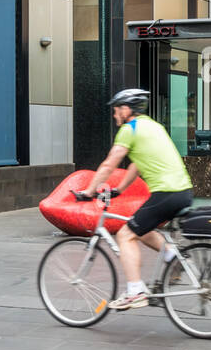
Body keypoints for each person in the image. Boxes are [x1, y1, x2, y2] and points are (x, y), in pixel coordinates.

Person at [76, 88, 193, 310]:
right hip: (182, 192)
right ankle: (172, 256)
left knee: (126, 235)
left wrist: (89, 191)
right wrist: (119, 189)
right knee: (140, 227)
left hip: (167, 192)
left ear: (126, 109)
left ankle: (135, 292)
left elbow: (110, 163)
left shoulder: (130, 129)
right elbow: (137, 164)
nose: (114, 115)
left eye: (116, 109)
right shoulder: (152, 126)